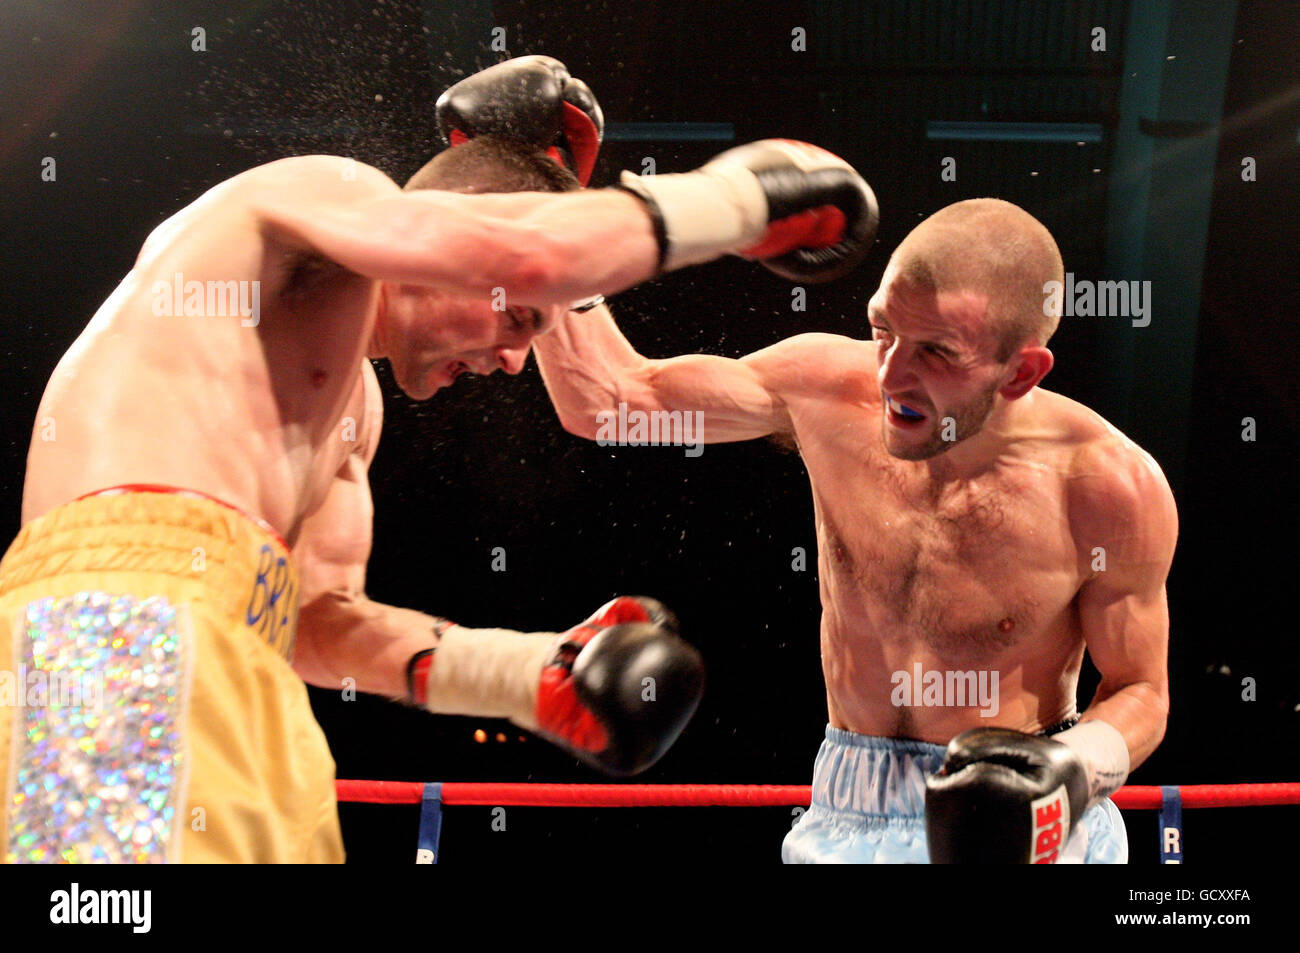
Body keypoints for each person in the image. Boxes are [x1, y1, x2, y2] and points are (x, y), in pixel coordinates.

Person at [0, 56, 876, 863]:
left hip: (250, 676)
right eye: (522, 320)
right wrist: (733, 201)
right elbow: (531, 250)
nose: (509, 361)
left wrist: (526, 674)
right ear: (449, 236)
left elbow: (317, 623)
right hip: (116, 622)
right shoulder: (327, 189)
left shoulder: (354, 415)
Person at [532, 94, 1176, 861]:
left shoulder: (1107, 484)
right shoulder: (823, 388)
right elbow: (608, 403)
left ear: (1021, 370)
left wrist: (1076, 764)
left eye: (936, 351)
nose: (891, 373)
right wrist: (547, 205)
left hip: (1022, 808)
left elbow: (1142, 689)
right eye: (881, 329)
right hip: (848, 802)